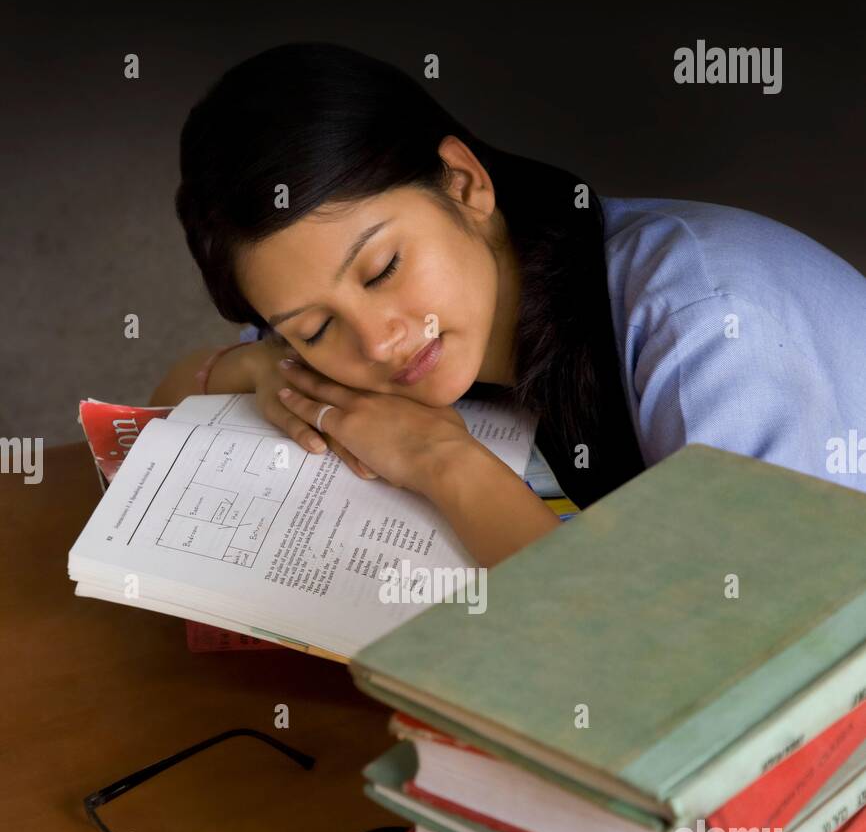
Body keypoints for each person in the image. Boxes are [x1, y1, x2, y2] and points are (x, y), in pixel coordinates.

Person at [151, 42, 866, 568]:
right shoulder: (386, 338)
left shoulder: (702, 323)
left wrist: (447, 465)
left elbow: (732, 667)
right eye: (313, 327)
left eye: (383, 269)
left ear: (464, 183)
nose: (376, 342)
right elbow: (166, 405)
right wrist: (261, 367)